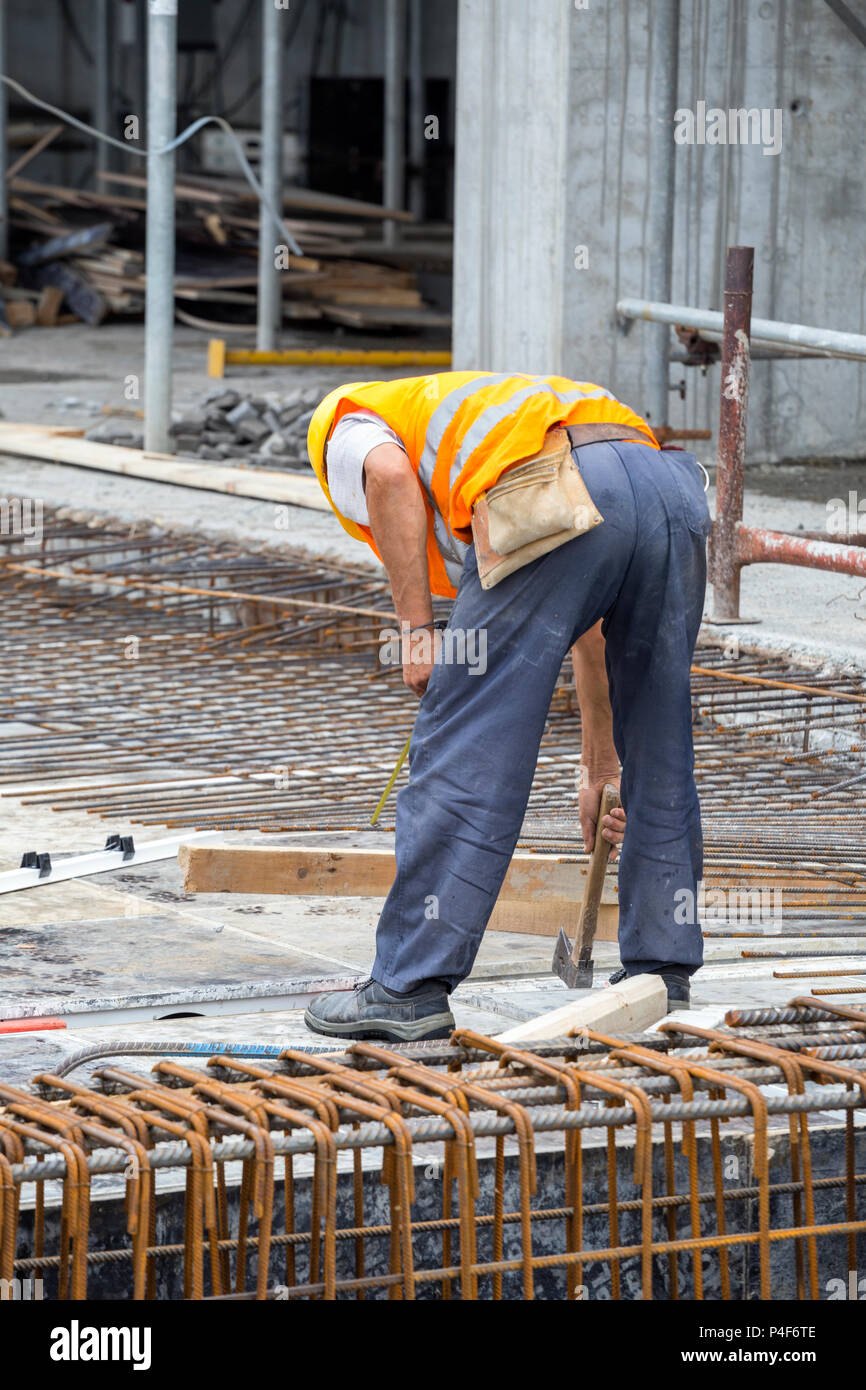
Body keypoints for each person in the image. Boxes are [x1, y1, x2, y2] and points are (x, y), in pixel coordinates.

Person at [302, 372, 710, 1041]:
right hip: (670, 489)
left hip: (553, 488)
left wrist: (416, 632)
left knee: (470, 742)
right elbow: (592, 621)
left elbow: (388, 477)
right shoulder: (494, 409)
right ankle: (662, 971)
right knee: (662, 736)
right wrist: (599, 766)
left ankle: (409, 985)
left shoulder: (341, 421)